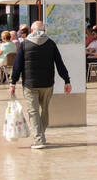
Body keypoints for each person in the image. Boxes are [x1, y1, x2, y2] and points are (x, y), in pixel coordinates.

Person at [9, 20, 71, 150]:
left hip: (30, 84)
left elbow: (17, 66)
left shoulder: (25, 44)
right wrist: (67, 80)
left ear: (32, 31)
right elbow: (60, 64)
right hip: (47, 84)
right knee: (45, 110)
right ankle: (40, 135)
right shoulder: (51, 43)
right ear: (43, 31)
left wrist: (13, 82)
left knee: (33, 112)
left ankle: (38, 139)